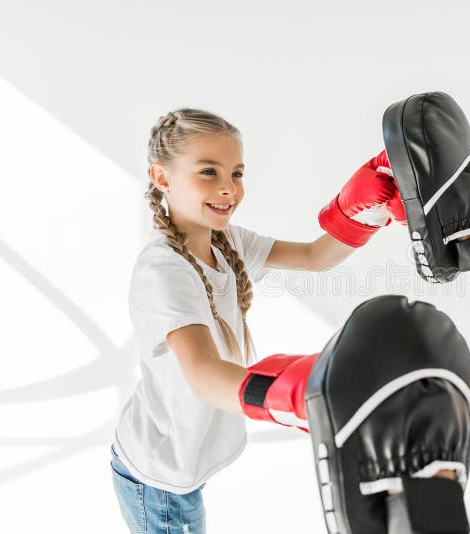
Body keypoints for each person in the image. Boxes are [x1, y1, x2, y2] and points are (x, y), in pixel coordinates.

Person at [109, 107, 396, 534]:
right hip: (158, 476)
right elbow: (204, 375)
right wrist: (291, 394)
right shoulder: (163, 271)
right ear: (163, 178)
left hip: (181, 459)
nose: (228, 189)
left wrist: (367, 208)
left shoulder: (227, 241)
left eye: (237, 173)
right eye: (208, 172)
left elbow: (315, 257)